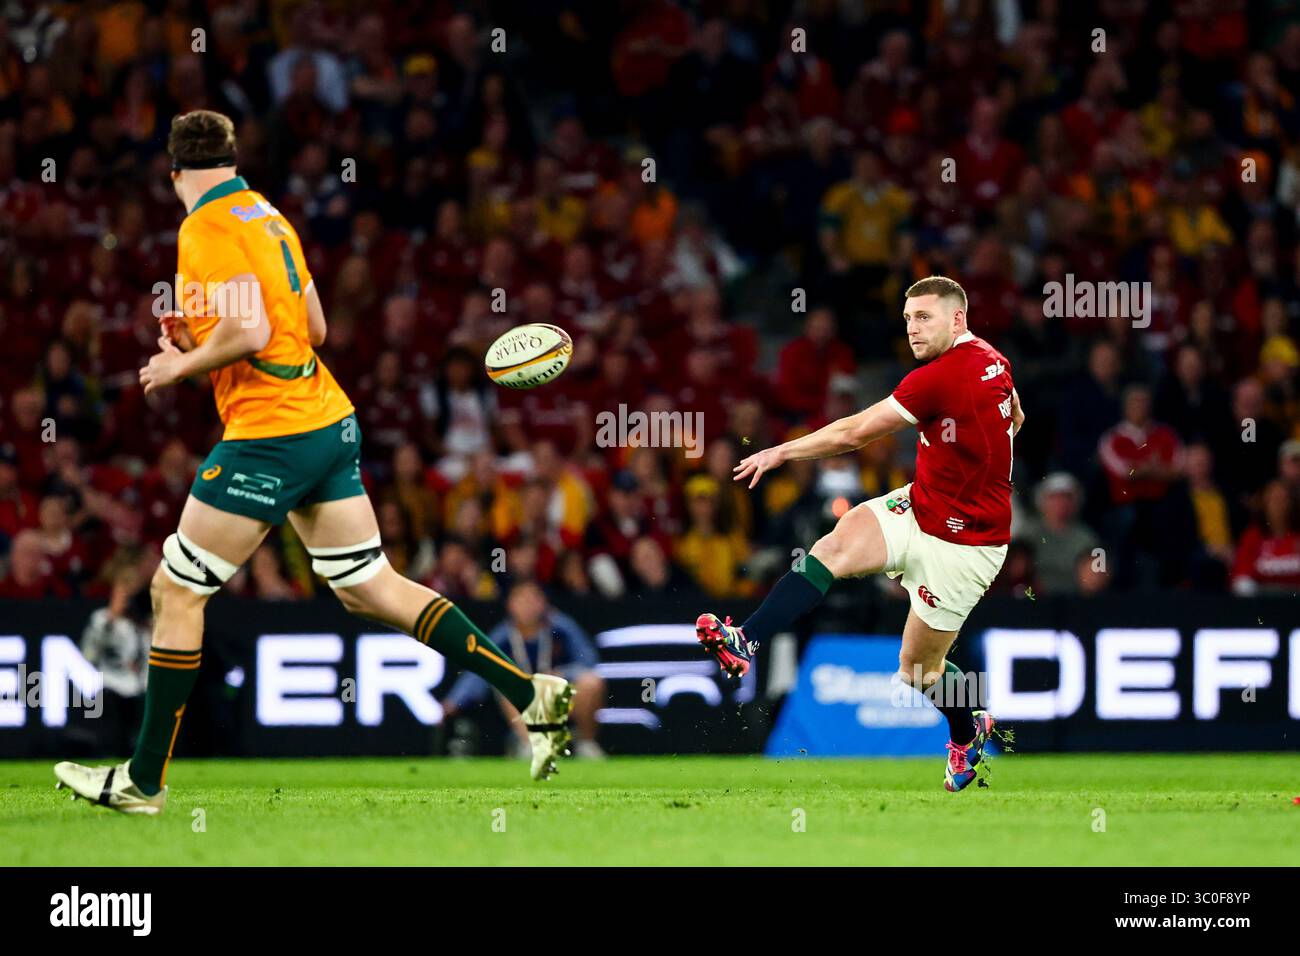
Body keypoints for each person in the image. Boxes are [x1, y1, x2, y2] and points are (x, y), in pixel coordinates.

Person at [54, 111, 575, 816]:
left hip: (272, 432)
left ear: (173, 172)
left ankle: (144, 783)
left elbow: (252, 331)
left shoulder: (202, 228)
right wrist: (200, 333)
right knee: (369, 585)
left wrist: (181, 363)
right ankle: (529, 692)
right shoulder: (269, 215)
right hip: (327, 419)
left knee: (176, 592)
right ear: (233, 160)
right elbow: (313, 328)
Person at [695, 276, 1021, 792]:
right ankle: (745, 640)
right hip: (921, 505)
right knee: (832, 547)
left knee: (917, 671)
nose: (913, 329)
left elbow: (853, 433)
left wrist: (782, 451)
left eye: (925, 318)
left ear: (957, 319)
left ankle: (968, 728)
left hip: (967, 547)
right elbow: (1016, 416)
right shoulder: (994, 360)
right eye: (909, 317)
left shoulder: (941, 377)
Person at [444, 582, 606, 759]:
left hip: (560, 696)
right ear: (510, 605)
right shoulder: (504, 635)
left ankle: (586, 744)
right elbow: (480, 666)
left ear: (544, 603)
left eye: (533, 599)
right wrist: (454, 701)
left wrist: (562, 674)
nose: (528, 606)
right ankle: (532, 745)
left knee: (592, 682)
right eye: (521, 600)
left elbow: (588, 661)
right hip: (524, 702)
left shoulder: (561, 627)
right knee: (504, 680)